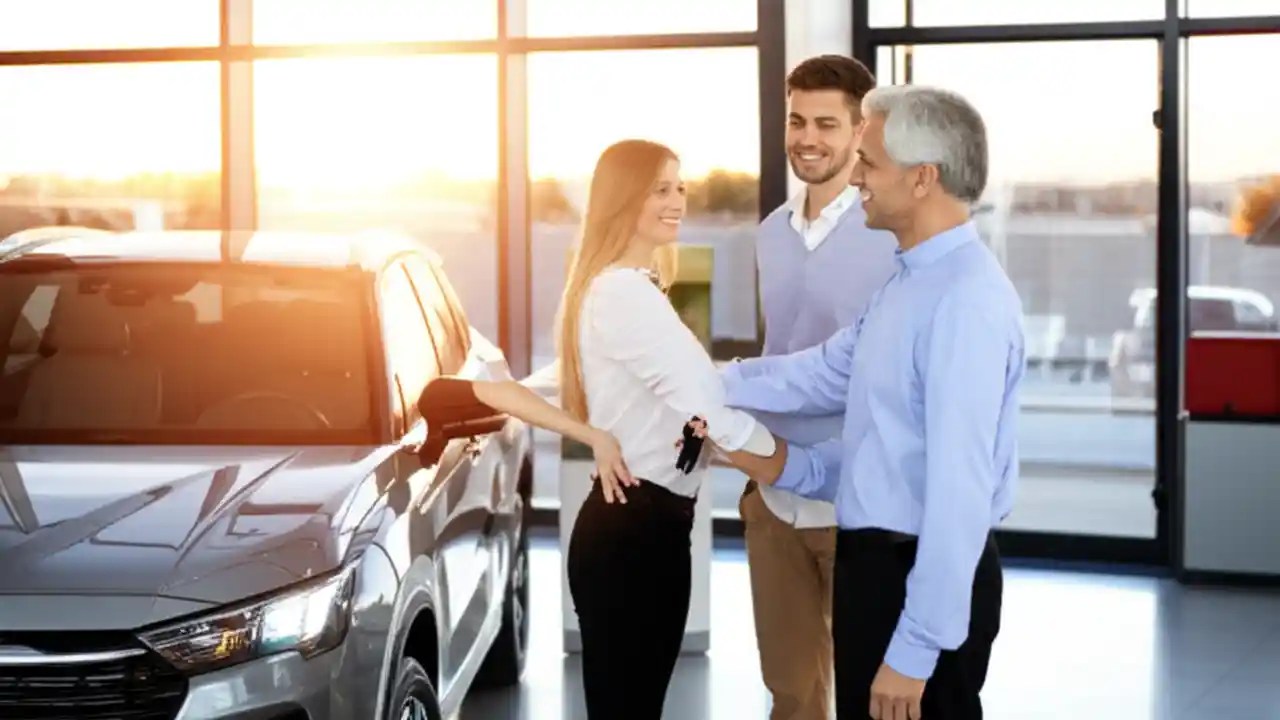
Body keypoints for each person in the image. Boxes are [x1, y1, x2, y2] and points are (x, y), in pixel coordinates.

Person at [704, 85, 1025, 720]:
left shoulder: (964, 302)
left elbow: (958, 495)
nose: (855, 177)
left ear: (923, 178)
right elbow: (826, 375)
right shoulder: (908, 281)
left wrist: (914, 650)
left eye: (870, 162)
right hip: (876, 570)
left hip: (912, 582)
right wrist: (707, 382)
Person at [451, 138, 777, 719]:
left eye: (680, 186)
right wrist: (784, 466)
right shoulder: (623, 293)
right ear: (624, 199)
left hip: (637, 528)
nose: (677, 199)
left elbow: (526, 385)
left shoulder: (616, 287)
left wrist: (610, 432)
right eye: (660, 188)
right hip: (637, 534)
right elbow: (707, 399)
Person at [743, 54, 898, 720]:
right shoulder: (769, 234)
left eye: (826, 124)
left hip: (859, 504)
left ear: (861, 132)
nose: (807, 137)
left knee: (876, 695)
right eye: (797, 119)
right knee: (791, 693)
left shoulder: (891, 235)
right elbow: (778, 351)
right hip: (775, 501)